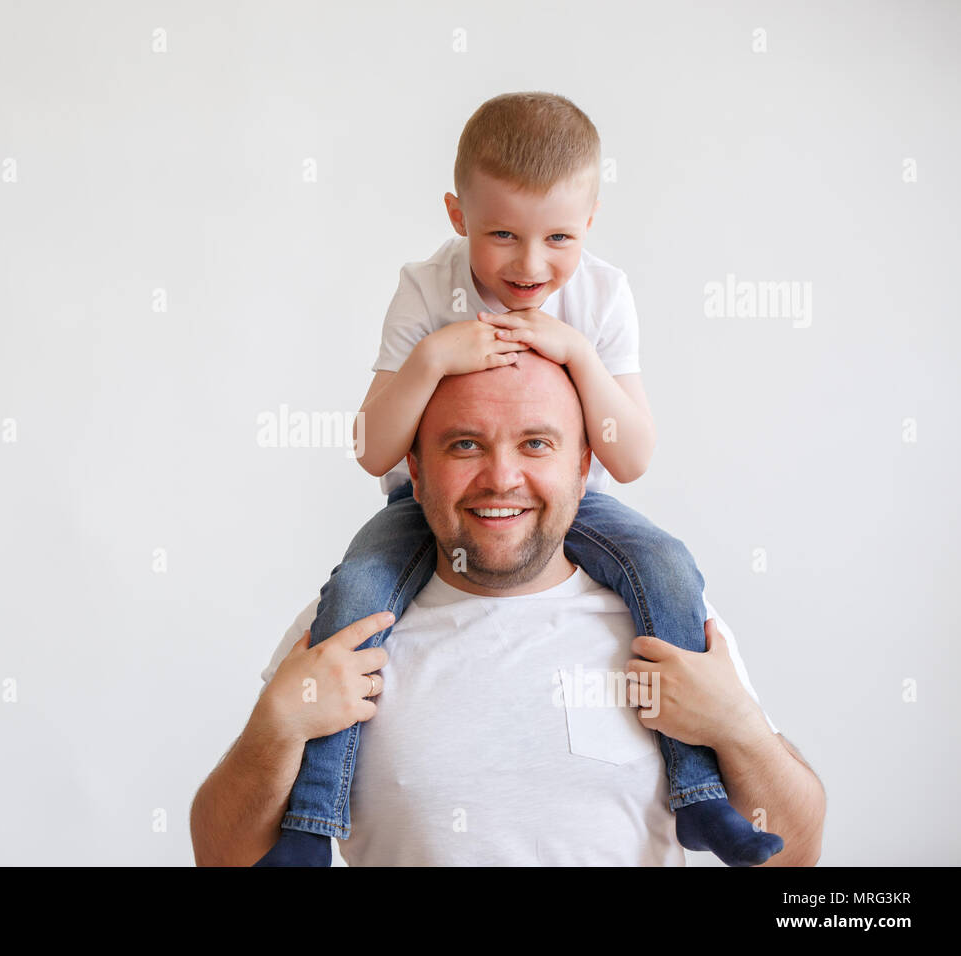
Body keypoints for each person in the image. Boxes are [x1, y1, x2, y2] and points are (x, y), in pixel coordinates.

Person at [250, 90, 783, 867]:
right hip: (427, 505)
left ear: (591, 222)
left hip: (574, 501)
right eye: (502, 234)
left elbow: (628, 457)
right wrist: (435, 356)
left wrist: (578, 354)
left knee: (669, 568)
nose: (530, 266)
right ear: (456, 213)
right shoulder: (428, 289)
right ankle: (307, 821)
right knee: (354, 596)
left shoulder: (600, 294)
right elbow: (372, 448)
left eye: (558, 237)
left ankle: (702, 802)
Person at [189, 354, 826, 866]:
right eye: (464, 445)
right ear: (414, 467)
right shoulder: (342, 632)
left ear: (583, 466)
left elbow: (794, 859)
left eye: (536, 444)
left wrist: (738, 727)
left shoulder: (671, 623)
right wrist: (274, 728)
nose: (501, 477)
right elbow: (221, 858)